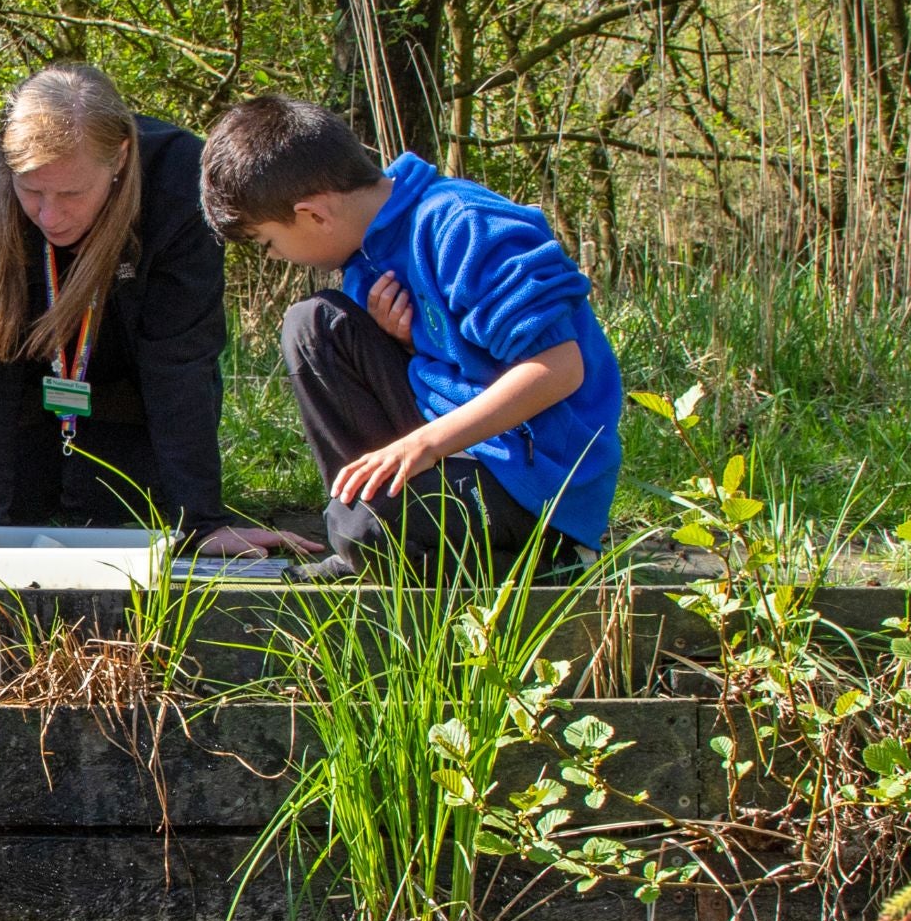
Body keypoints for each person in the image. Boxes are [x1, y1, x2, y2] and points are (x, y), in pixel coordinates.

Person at [199, 95, 623, 581]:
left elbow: (559, 369)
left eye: (268, 243)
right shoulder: (366, 257)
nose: (275, 257)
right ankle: (372, 531)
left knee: (365, 526)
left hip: (535, 485)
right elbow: (461, 359)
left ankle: (552, 561)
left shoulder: (465, 225)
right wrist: (402, 344)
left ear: (313, 214)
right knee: (313, 324)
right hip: (459, 450)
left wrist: (424, 445)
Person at [0, 65, 313, 559]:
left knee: (123, 505)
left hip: (125, 383)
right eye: (32, 192)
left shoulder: (180, 180)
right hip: (21, 382)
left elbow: (179, 360)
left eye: (72, 193)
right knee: (17, 508)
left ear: (120, 157)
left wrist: (204, 520)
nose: (50, 217)